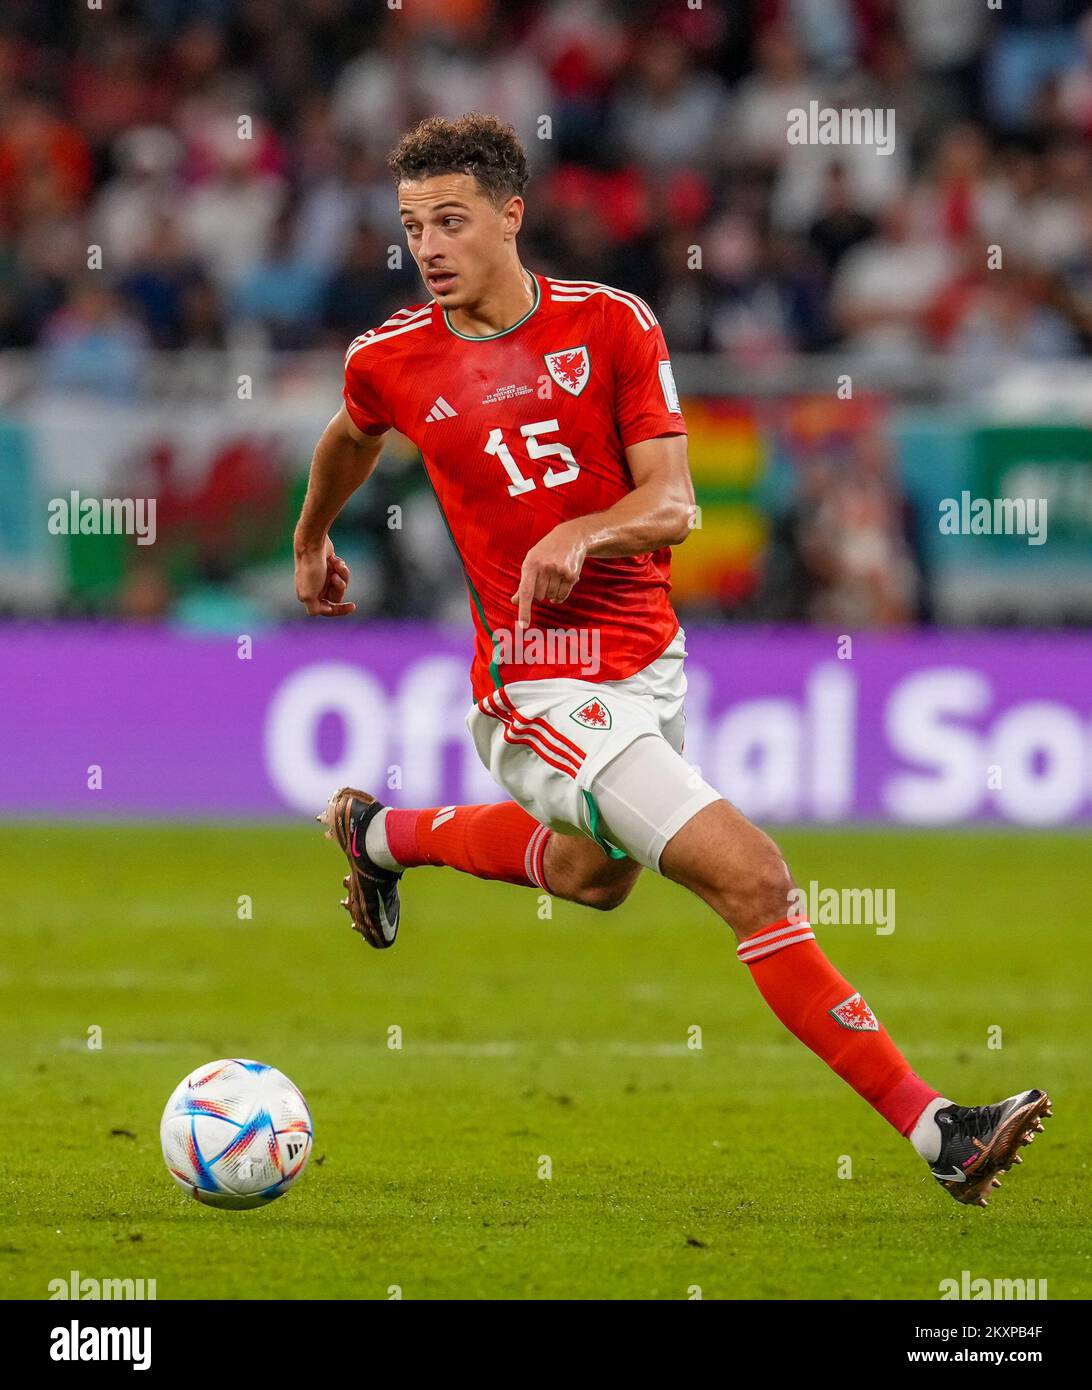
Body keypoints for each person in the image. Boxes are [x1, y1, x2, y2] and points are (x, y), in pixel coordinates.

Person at [293, 113, 1050, 1208]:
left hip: (645, 662)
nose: (431, 246)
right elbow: (351, 432)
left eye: (451, 221)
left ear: (513, 214)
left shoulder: (610, 327)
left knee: (595, 877)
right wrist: (314, 538)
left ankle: (378, 833)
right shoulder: (394, 355)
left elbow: (674, 503)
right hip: (535, 679)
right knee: (756, 877)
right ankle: (940, 1129)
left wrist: (583, 531)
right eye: (414, 226)